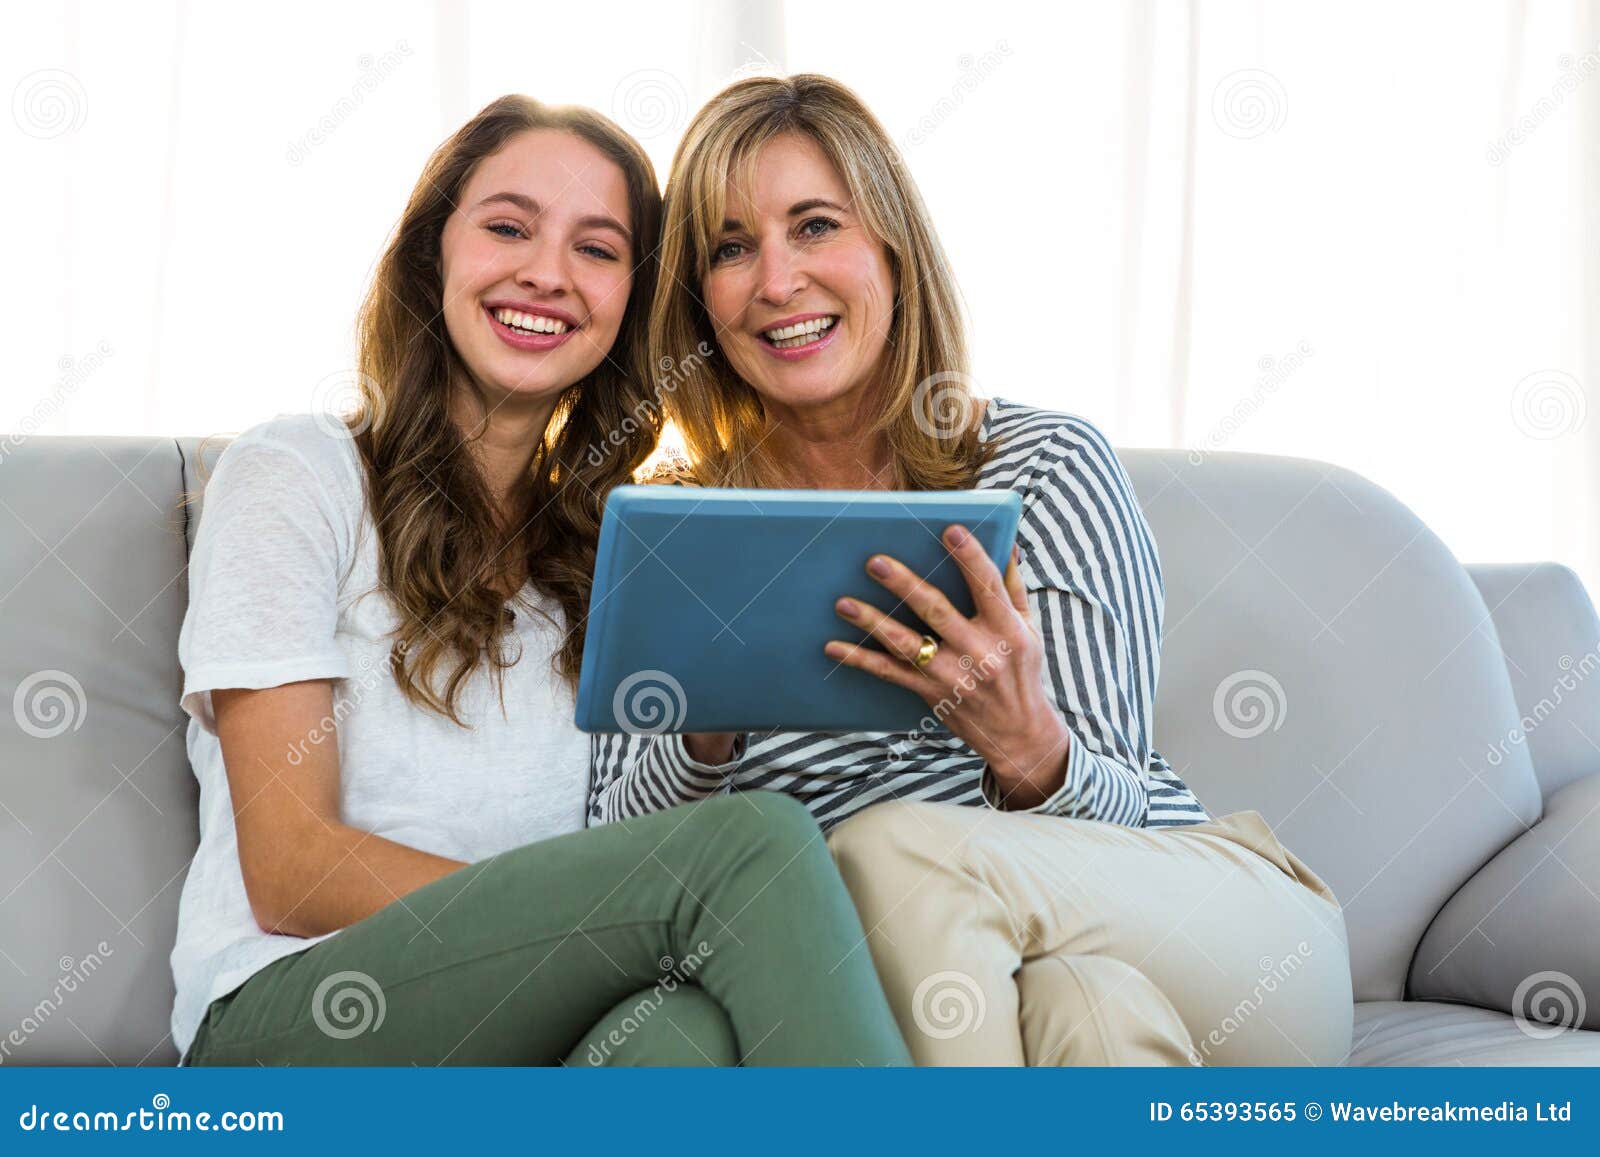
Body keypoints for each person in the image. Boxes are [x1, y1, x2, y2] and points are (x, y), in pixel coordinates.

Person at [589, 74, 1353, 1067]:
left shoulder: (1041, 466)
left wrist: (1031, 751)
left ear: (894, 256)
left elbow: (1118, 820)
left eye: (815, 225)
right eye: (730, 247)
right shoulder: (679, 529)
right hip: (1015, 996)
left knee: (891, 854)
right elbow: (617, 868)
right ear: (697, 297)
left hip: (1214, 930)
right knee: (1086, 1014)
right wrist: (701, 738)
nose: (775, 280)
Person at [171, 94, 910, 1067]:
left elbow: (641, 831)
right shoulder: (298, 472)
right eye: (509, 227)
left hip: (531, 1029)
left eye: (598, 250)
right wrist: (598, 913)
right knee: (750, 846)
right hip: (292, 1015)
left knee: (681, 1041)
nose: (547, 273)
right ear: (436, 252)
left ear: (631, 304)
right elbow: (291, 867)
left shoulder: (618, 554)